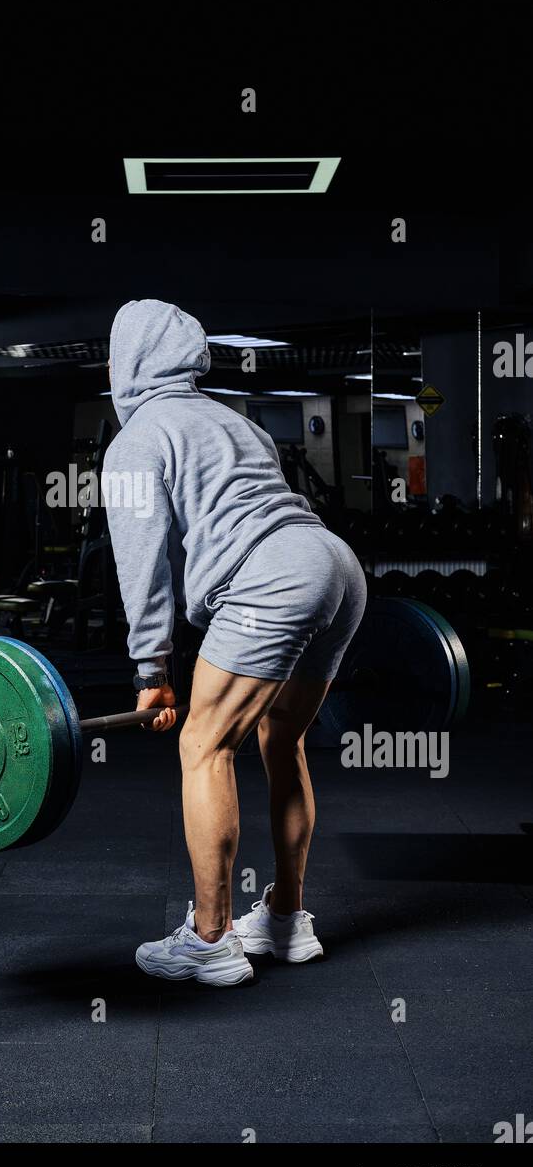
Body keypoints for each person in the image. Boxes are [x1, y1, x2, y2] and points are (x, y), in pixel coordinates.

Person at [102, 299, 366, 986]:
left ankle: (211, 939)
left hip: (274, 581)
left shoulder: (138, 439)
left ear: (124, 360)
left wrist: (150, 668)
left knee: (203, 745)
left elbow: (144, 564)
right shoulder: (235, 420)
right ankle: (285, 920)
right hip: (334, 565)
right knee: (283, 740)